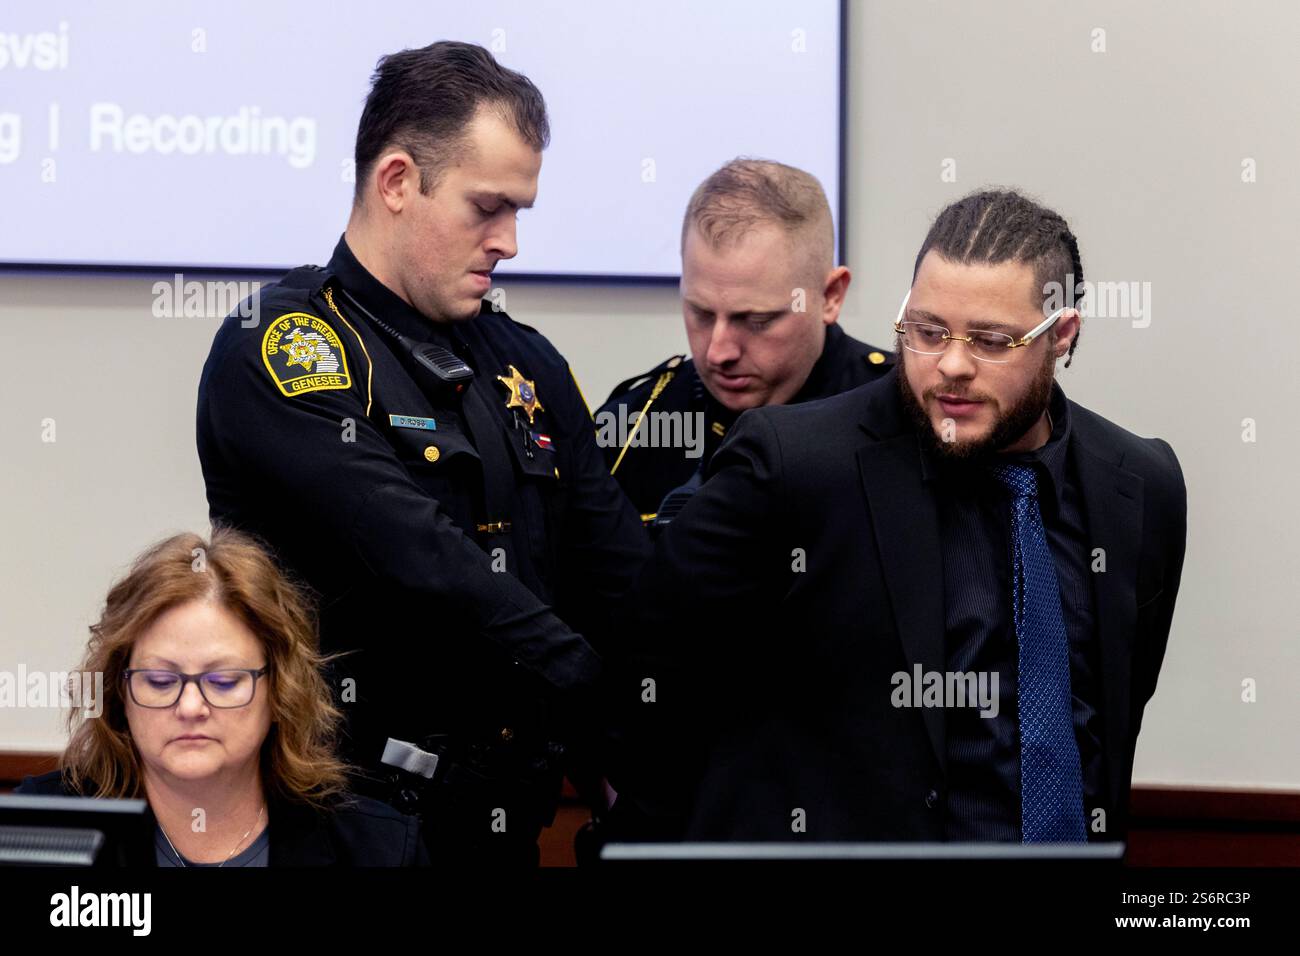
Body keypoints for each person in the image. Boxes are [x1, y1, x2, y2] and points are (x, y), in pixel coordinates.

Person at [613, 189, 1187, 844]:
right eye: (927, 331)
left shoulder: (1141, 485)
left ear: (1062, 336)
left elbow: (1115, 710)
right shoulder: (795, 465)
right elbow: (645, 665)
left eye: (992, 341)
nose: (951, 366)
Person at [195, 41, 648, 866]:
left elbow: (616, 567)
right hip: (341, 820)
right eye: (487, 208)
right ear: (397, 181)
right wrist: (593, 682)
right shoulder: (289, 340)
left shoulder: (524, 362)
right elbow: (414, 553)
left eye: (521, 211)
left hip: (506, 821)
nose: (509, 241)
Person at [16, 529, 427, 867]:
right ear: (119, 692)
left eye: (225, 682)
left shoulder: (379, 850)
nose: (191, 707)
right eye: (159, 681)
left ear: (279, 691)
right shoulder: (40, 833)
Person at [596, 158, 893, 526]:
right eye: (701, 313)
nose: (718, 352)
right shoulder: (633, 432)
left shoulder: (903, 419)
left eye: (756, 321)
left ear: (830, 295)